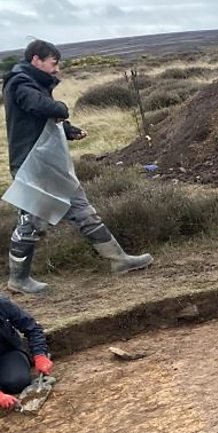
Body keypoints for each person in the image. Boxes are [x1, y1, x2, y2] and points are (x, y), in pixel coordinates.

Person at [4, 40, 153, 294]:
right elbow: (39, 106)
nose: (57, 69)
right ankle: (18, 279)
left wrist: (68, 129)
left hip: (49, 165)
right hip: (33, 166)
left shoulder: (33, 81)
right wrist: (61, 108)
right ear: (36, 60)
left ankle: (119, 260)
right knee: (31, 223)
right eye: (54, 63)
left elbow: (41, 119)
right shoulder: (19, 82)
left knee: (83, 210)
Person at [0, 296, 52, 410]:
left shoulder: (2, 304)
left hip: (6, 353)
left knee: (16, 382)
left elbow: (33, 328)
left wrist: (40, 355)